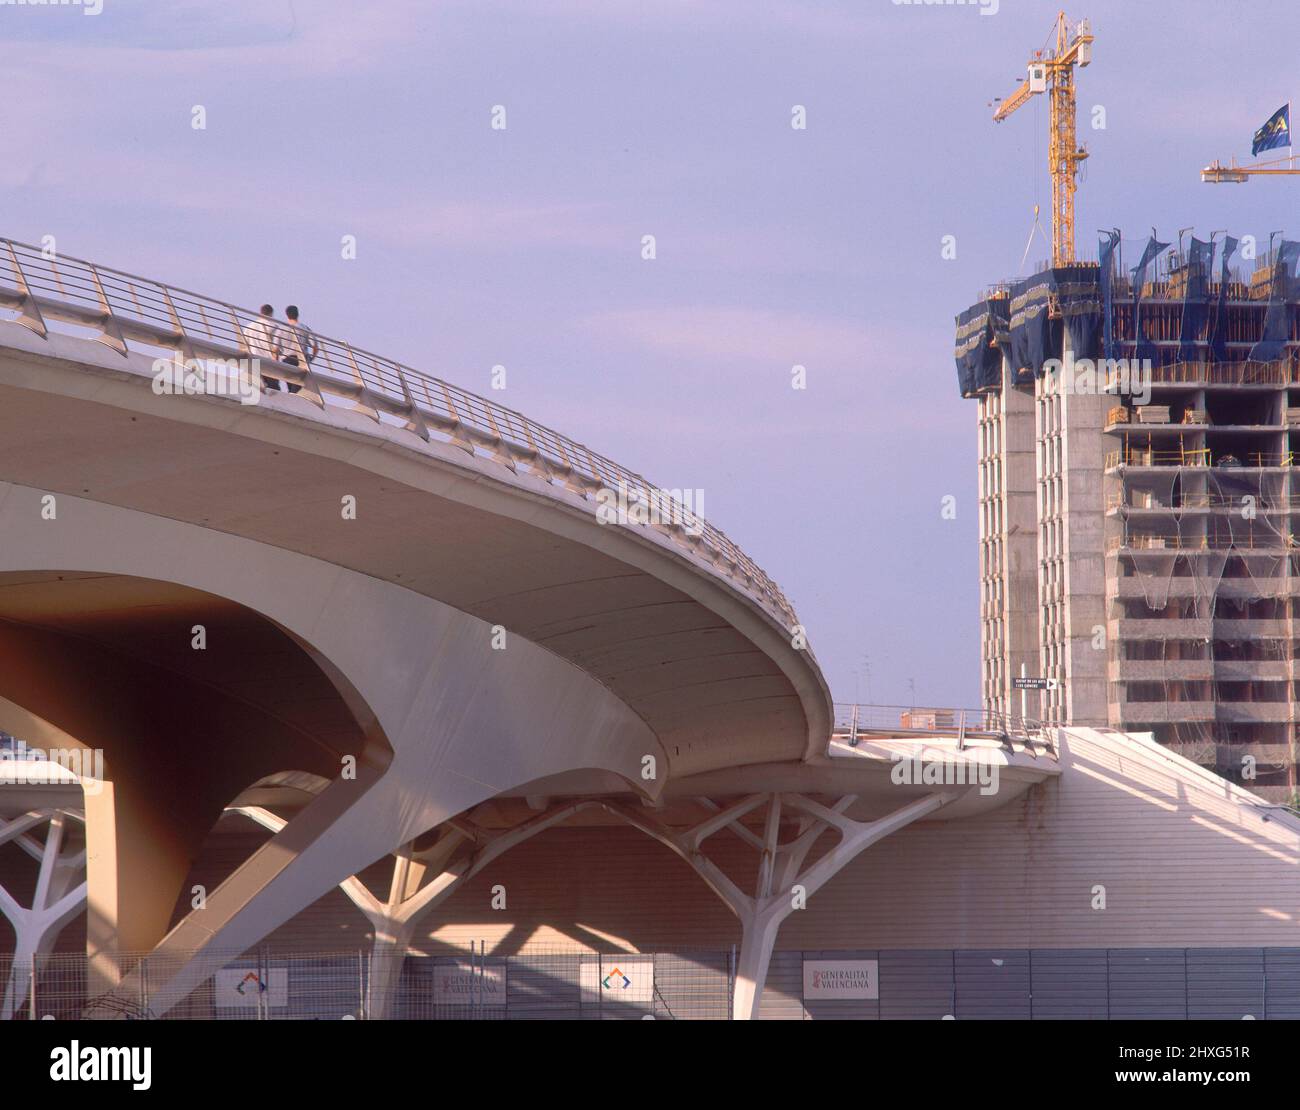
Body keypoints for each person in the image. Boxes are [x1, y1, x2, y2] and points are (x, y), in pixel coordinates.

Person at [243, 304, 283, 392]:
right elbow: (276, 348)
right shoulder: (274, 327)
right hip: (269, 362)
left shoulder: (249, 327)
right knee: (274, 390)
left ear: (260, 313)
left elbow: (245, 345)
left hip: (254, 360)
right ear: (271, 314)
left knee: (255, 389)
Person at [279, 305, 318, 395]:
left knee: (290, 385)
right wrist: (311, 358)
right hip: (301, 359)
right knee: (297, 387)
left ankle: (290, 399)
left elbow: (275, 348)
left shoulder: (282, 329)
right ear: (298, 314)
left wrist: (277, 358)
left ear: (287, 315)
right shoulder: (305, 328)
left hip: (287, 359)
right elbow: (315, 346)